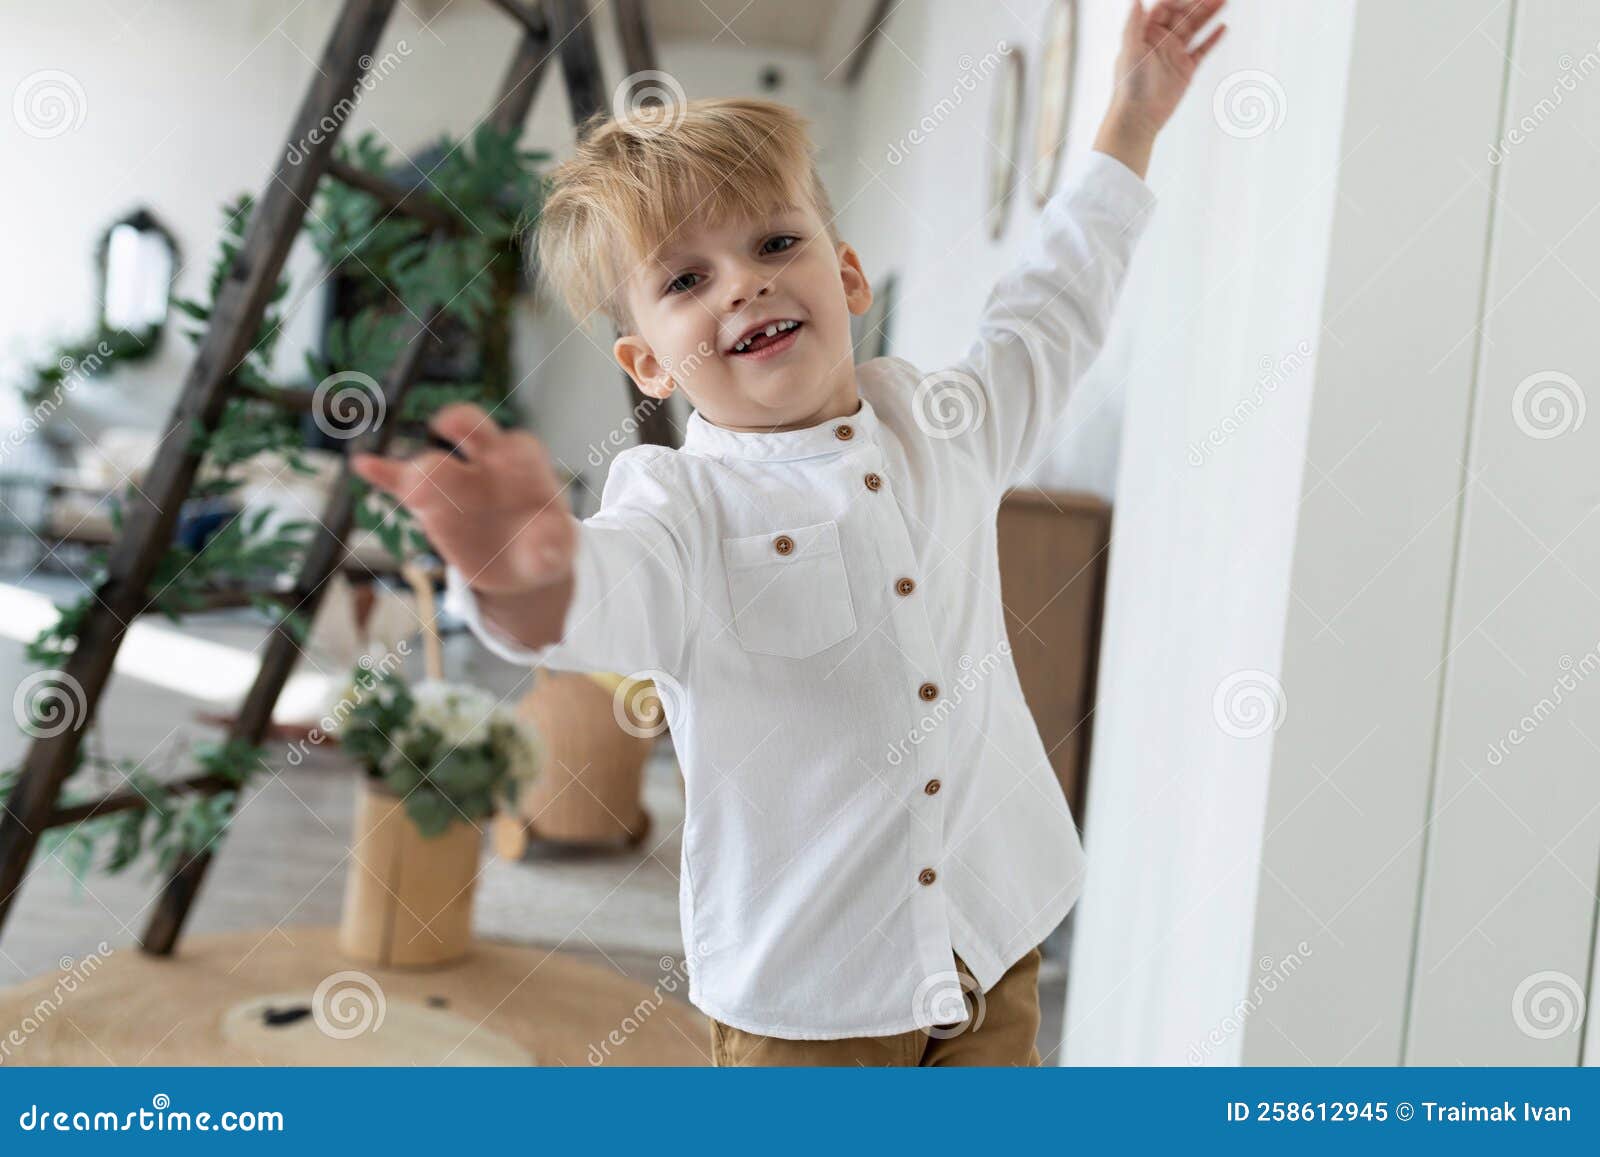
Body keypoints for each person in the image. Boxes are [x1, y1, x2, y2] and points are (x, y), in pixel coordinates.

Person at [354, 0, 1228, 1066]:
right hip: (809, 998)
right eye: (686, 279)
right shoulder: (675, 505)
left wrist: (1132, 117)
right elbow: (604, 593)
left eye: (773, 241)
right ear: (650, 365)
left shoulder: (941, 424)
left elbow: (1050, 303)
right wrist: (521, 568)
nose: (744, 281)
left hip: (992, 935)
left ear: (846, 274)